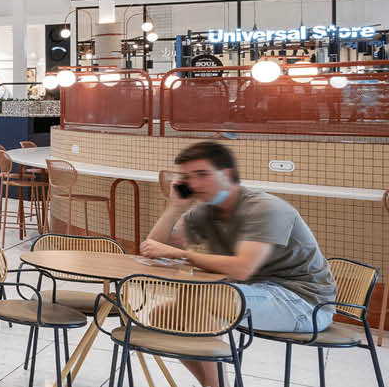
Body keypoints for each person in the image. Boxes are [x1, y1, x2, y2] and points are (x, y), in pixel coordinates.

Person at [140, 141, 335, 386]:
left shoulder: (265, 208)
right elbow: (153, 249)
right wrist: (174, 207)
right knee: (162, 317)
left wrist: (184, 255)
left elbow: (242, 269)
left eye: (202, 175)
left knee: (199, 297)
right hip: (258, 292)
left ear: (228, 175)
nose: (195, 185)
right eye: (188, 178)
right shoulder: (207, 211)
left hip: (304, 303)